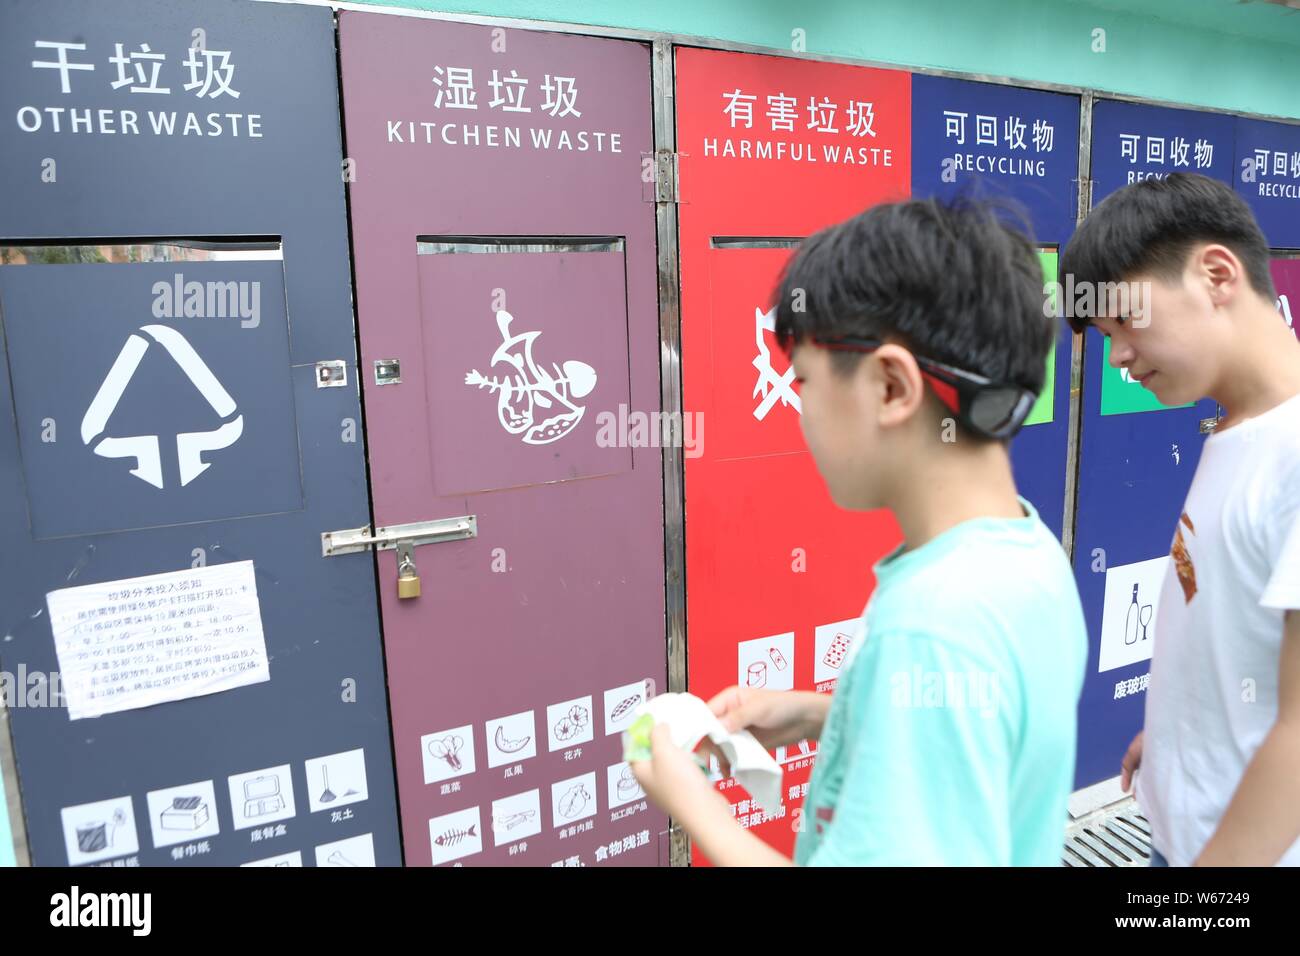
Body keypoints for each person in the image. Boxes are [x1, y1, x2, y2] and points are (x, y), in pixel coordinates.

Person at [631, 196, 1088, 865]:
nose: (800, 411)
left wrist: (693, 805)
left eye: (805, 380)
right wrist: (823, 714)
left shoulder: (931, 626)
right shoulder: (1027, 551)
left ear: (891, 387)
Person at [1062, 172, 1300, 866]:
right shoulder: (1234, 430)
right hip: (1185, 829)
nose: (1121, 357)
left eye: (1127, 322)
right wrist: (1172, 740)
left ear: (1217, 274)